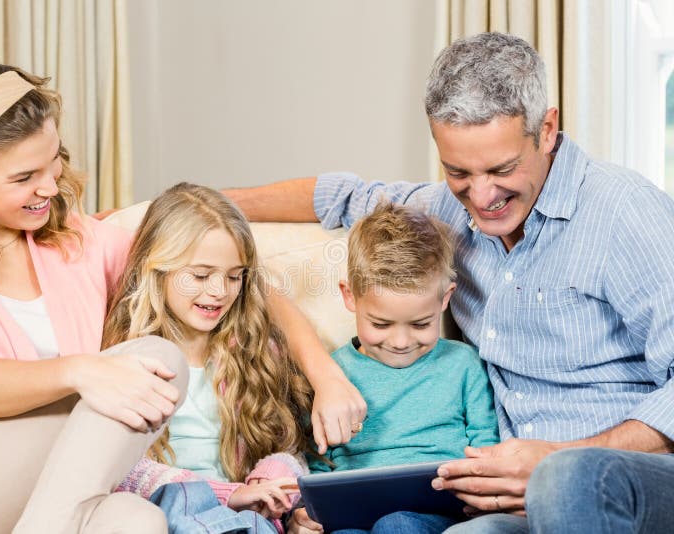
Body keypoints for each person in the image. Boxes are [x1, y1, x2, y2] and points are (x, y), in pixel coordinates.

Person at [226, 32, 674, 533]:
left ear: (547, 130)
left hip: (631, 476)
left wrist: (556, 457)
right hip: (509, 500)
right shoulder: (445, 214)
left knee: (564, 479)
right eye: (458, 171)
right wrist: (188, 209)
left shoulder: (625, 213)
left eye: (501, 168)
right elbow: (339, 196)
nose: (481, 197)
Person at [0, 59, 190, 534]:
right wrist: (80, 370)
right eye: (23, 177)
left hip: (43, 501)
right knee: (155, 362)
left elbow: (215, 262)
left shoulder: (80, 241)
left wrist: (324, 374)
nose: (49, 186)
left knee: (134, 520)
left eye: (54, 160)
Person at [101, 183, 314, 533]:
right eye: (200, 275)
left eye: (234, 277)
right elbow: (122, 469)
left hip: (245, 514)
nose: (218, 292)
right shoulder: (125, 356)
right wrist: (230, 494)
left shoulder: (254, 349)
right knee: (186, 503)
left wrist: (271, 483)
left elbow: (289, 450)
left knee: (252, 524)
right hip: (169, 510)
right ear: (157, 267)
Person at [290, 203, 499, 534]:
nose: (401, 341)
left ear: (445, 299)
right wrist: (304, 512)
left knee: (396, 525)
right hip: (351, 518)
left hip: (438, 514)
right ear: (350, 296)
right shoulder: (331, 375)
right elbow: (318, 463)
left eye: (420, 324)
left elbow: (485, 445)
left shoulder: (462, 365)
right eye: (381, 323)